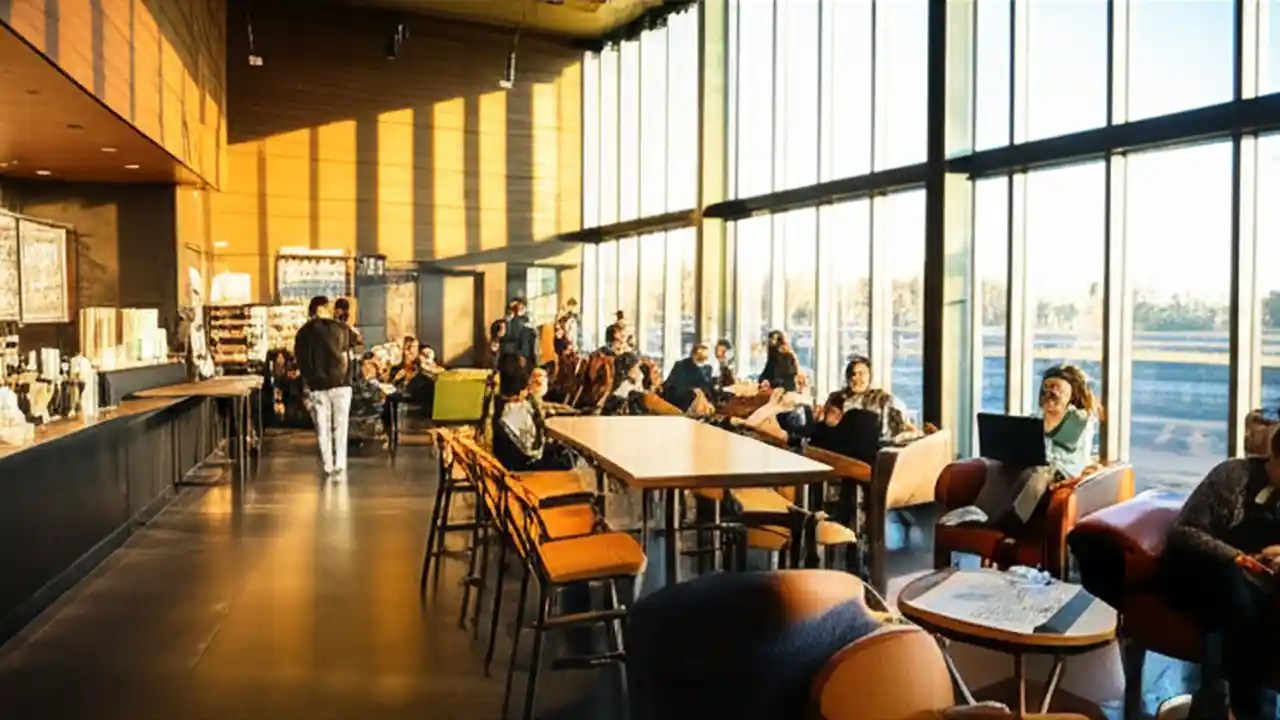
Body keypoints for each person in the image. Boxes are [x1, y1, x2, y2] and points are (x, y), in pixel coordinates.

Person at [1162, 430, 1280, 720]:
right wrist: (1237, 557)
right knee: (1237, 599)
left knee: (1251, 602)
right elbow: (1184, 531)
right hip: (1199, 566)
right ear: (1274, 458)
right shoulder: (1233, 476)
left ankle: (1217, 705)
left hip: (1253, 580)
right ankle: (1233, 705)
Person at [943, 364, 1098, 532]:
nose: (1049, 392)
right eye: (1045, 387)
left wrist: (1050, 418)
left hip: (1063, 470)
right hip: (1038, 462)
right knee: (999, 467)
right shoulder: (1039, 416)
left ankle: (1014, 520)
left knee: (1036, 473)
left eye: (1055, 388)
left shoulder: (1079, 418)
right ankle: (980, 512)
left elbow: (1061, 443)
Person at [293, 295, 352, 477]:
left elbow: (301, 359)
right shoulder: (340, 328)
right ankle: (340, 462)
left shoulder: (303, 333)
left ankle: (327, 464)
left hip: (317, 386)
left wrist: (308, 381)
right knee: (340, 426)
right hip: (341, 384)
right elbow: (351, 348)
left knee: (322, 428)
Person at [491, 355, 576, 472]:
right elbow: (533, 447)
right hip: (526, 468)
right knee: (568, 457)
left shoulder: (500, 407)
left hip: (514, 463)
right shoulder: (514, 411)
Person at [839, 355, 918, 443]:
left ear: (870, 377)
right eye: (852, 374)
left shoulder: (886, 401)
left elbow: (910, 429)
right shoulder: (839, 400)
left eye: (861, 374)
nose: (855, 378)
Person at [663, 344, 716, 412]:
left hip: (700, 399)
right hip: (681, 397)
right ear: (694, 354)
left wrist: (709, 401)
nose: (706, 356)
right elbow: (679, 386)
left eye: (707, 354)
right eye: (702, 353)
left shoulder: (708, 368)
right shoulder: (681, 365)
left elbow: (708, 387)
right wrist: (697, 392)